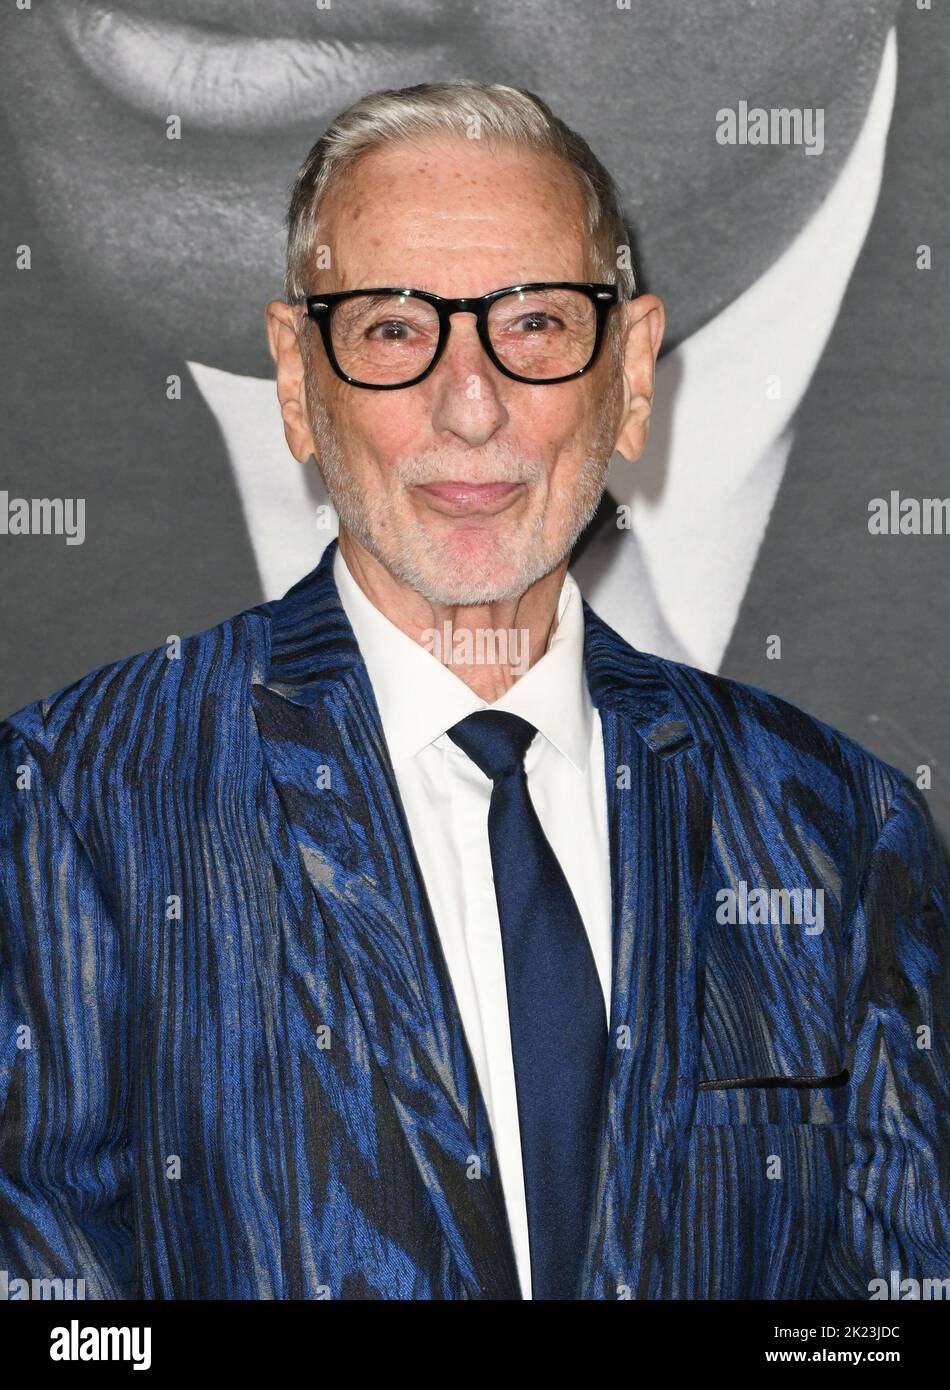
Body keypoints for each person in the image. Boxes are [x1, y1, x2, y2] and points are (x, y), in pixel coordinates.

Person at [1, 82, 947, 1301]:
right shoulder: (72, 802)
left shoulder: (830, 821)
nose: (470, 405)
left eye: (537, 324)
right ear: (297, 379)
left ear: (632, 371)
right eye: (395, 329)